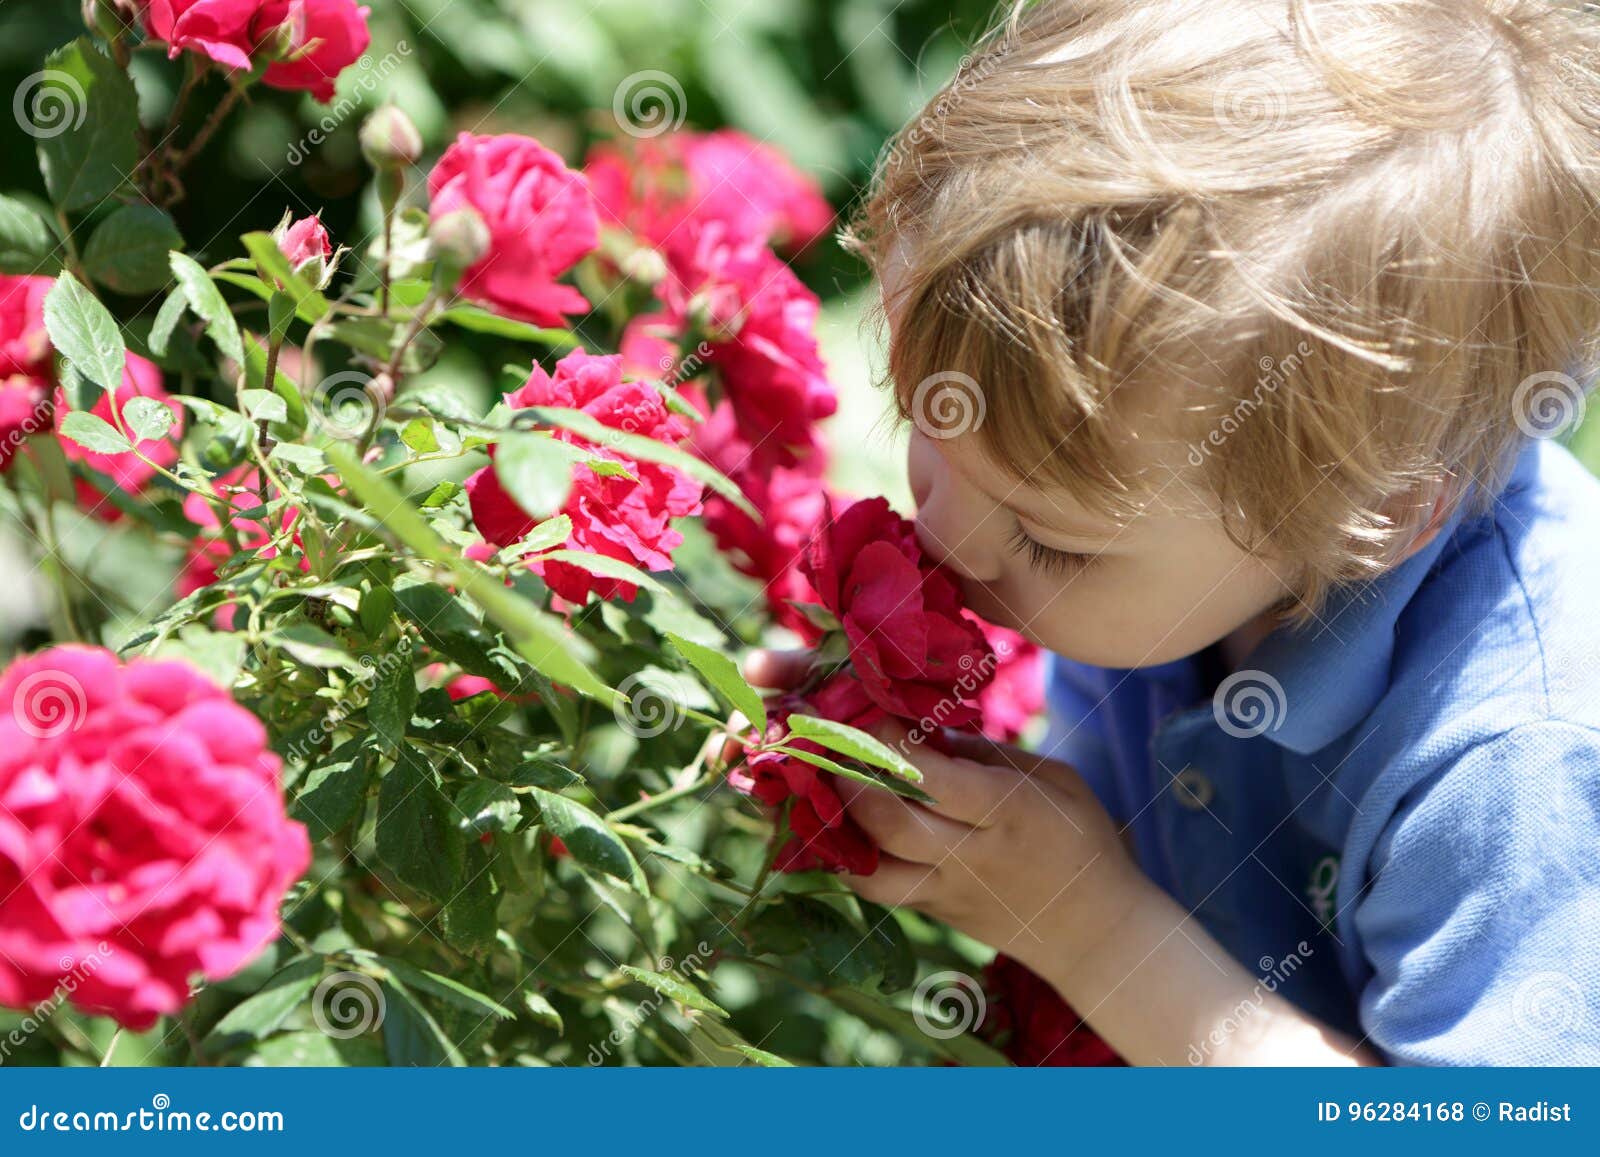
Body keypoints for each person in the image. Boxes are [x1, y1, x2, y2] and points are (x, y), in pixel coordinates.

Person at [759, 0, 1600, 1064]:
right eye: (927, 425)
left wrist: (1088, 926)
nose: (948, 533)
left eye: (1049, 538)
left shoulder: (1516, 766)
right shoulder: (1193, 561)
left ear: (1373, 516)